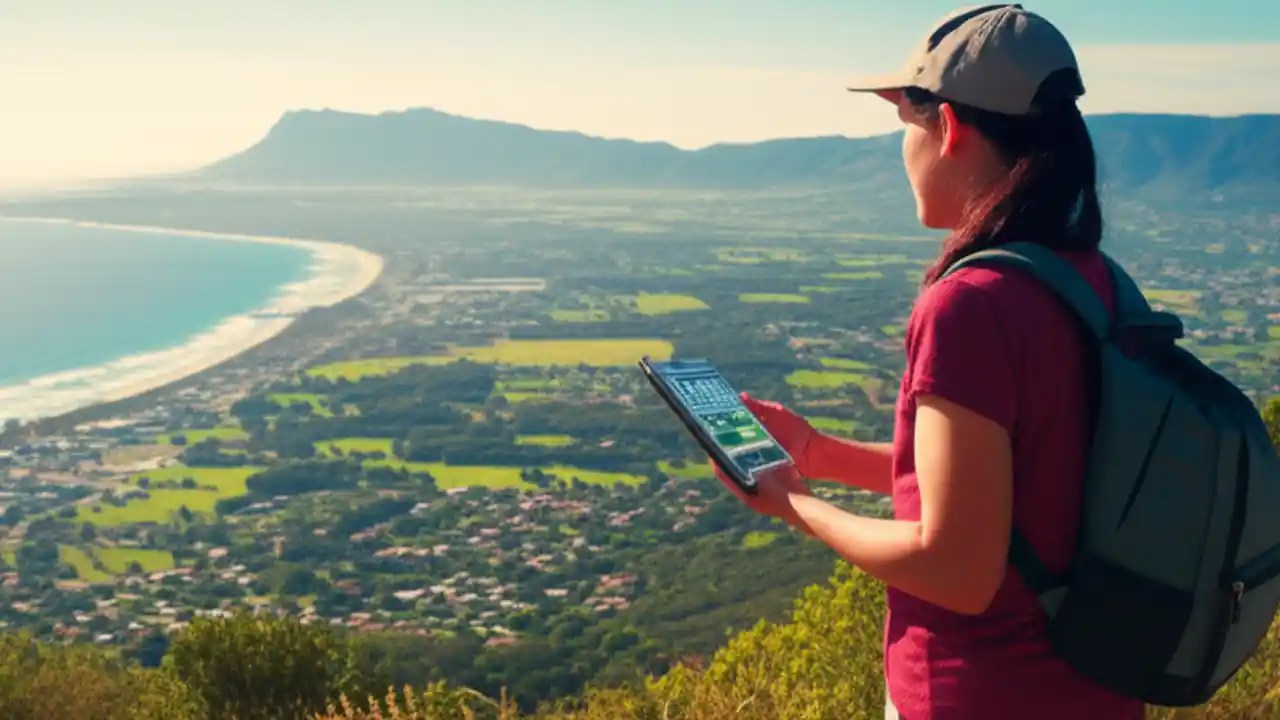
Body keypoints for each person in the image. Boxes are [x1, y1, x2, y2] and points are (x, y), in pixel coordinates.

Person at [715, 5, 1146, 719]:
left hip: (977, 694)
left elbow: (956, 568)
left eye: (905, 124)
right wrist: (818, 452)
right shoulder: (1092, 281)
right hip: (1097, 689)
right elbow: (1016, 484)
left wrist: (792, 501)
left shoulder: (973, 304)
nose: (903, 150)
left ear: (947, 128)